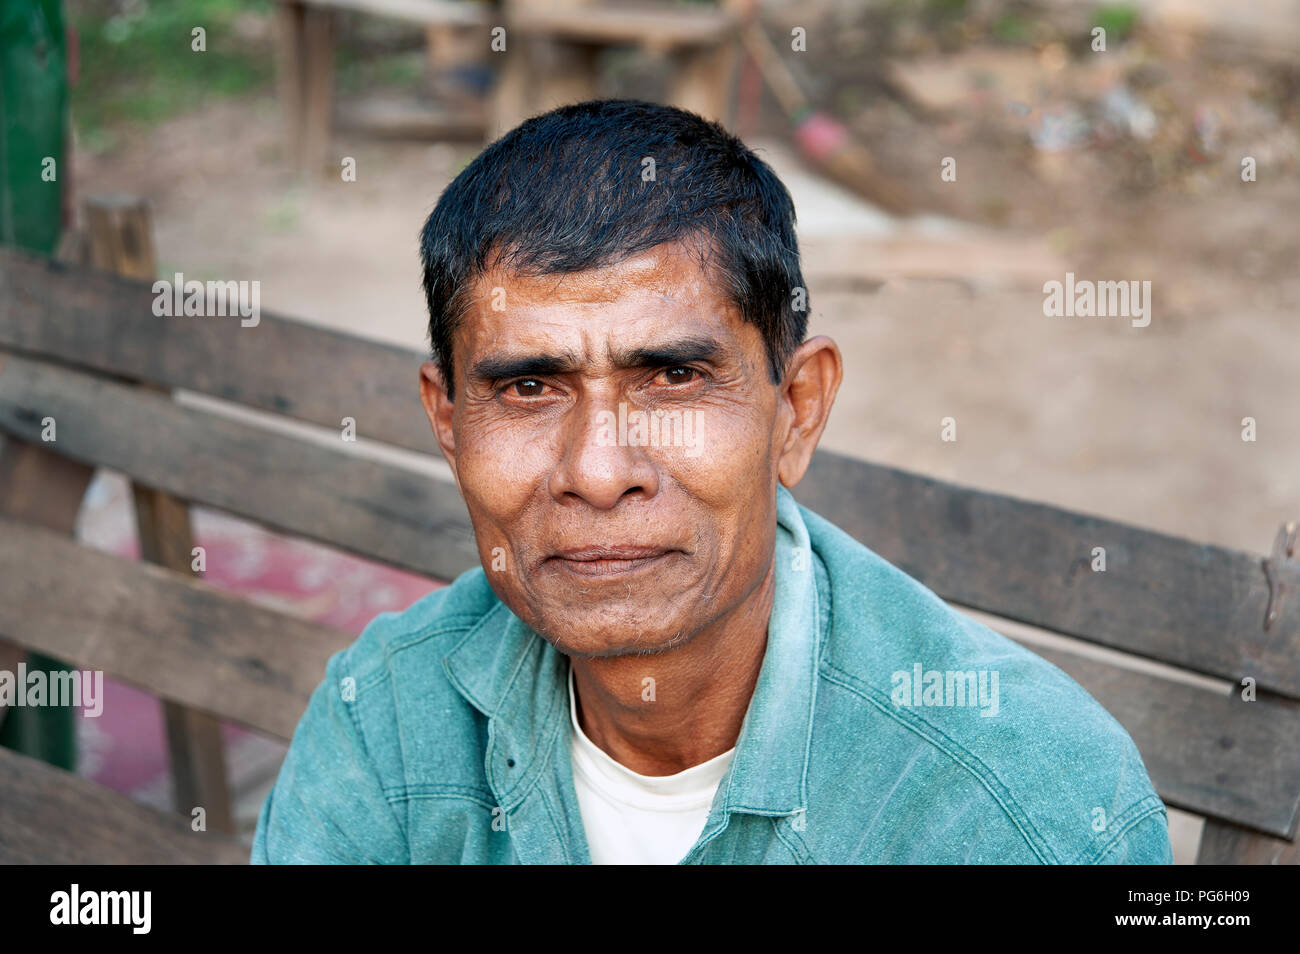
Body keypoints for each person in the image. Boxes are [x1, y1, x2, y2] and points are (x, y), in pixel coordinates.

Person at [253, 99, 1172, 864]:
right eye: (529, 388)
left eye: (675, 378)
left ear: (796, 411)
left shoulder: (1019, 811)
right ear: (449, 425)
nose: (598, 473)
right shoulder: (386, 717)